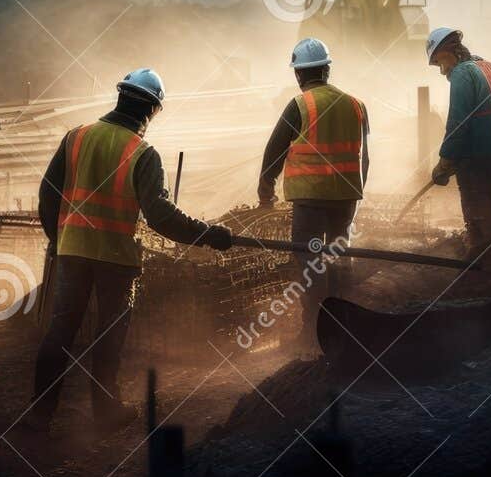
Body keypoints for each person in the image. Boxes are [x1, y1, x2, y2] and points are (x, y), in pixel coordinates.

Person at [26, 68, 234, 435]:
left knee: (60, 330)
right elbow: (161, 217)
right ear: (153, 110)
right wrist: (207, 234)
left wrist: (58, 241)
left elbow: (47, 195)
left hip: (72, 252)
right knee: (108, 334)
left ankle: (39, 416)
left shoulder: (76, 137)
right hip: (116, 259)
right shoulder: (144, 154)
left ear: (121, 96)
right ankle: (104, 411)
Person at [257, 38, 370, 347]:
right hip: (346, 197)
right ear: (327, 69)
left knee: (310, 261)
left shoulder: (299, 105)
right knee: (337, 255)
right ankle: (344, 328)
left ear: (298, 75)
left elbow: (274, 152)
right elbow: (365, 158)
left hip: (310, 199)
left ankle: (312, 334)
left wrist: (265, 192)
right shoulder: (356, 105)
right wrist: (355, 191)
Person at [426, 26, 491, 255]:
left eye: (437, 63)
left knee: (475, 207)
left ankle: (481, 257)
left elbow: (458, 121)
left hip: (476, 153)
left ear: (445, 52)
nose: (440, 71)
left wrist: (445, 160)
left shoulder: (462, 74)